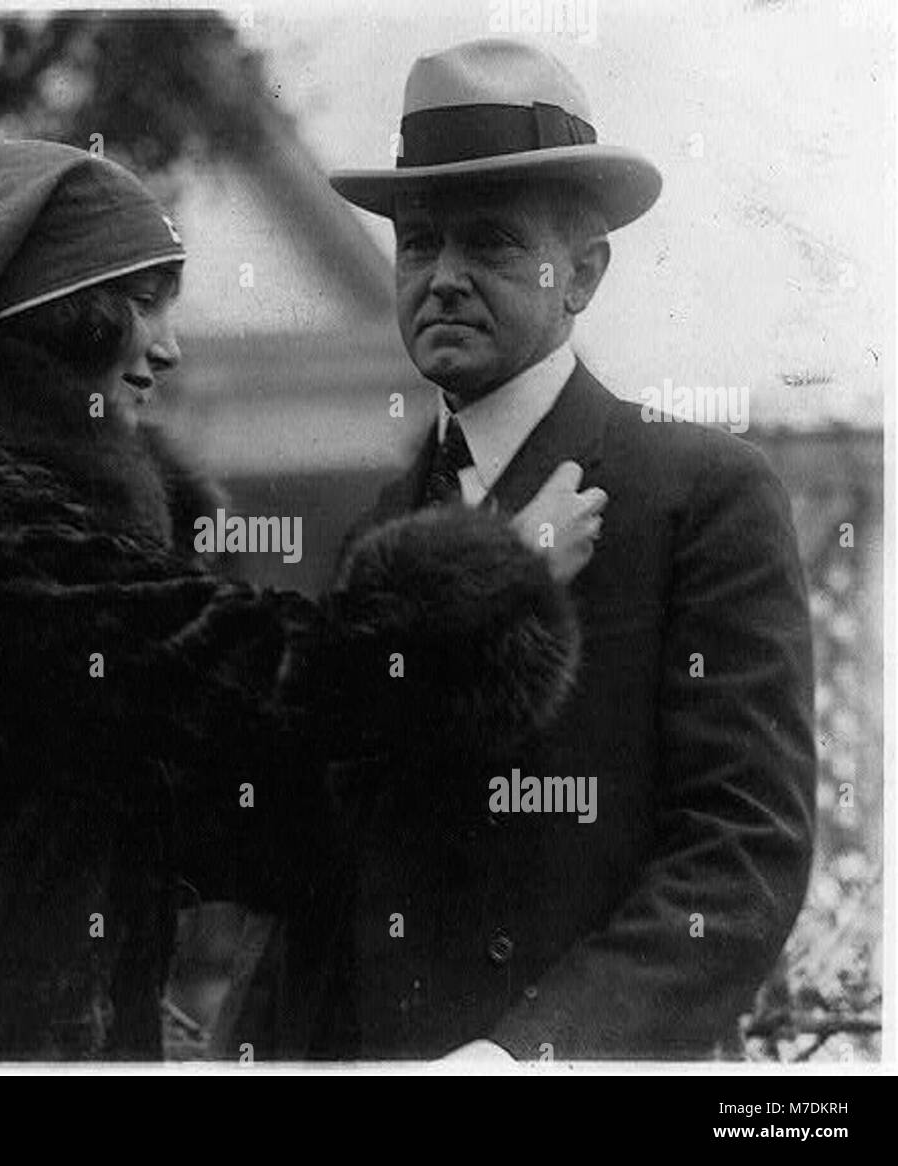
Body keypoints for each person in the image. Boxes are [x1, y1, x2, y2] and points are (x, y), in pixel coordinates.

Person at [0, 140, 587, 1060]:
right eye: (145, 301)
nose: (167, 348)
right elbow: (253, 674)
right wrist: (502, 571)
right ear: (55, 310)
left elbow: (188, 782)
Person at [324, 38, 816, 1059]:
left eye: (492, 244)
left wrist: (530, 1056)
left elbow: (740, 850)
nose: (444, 278)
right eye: (420, 244)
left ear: (582, 271)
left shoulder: (700, 495)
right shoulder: (380, 529)